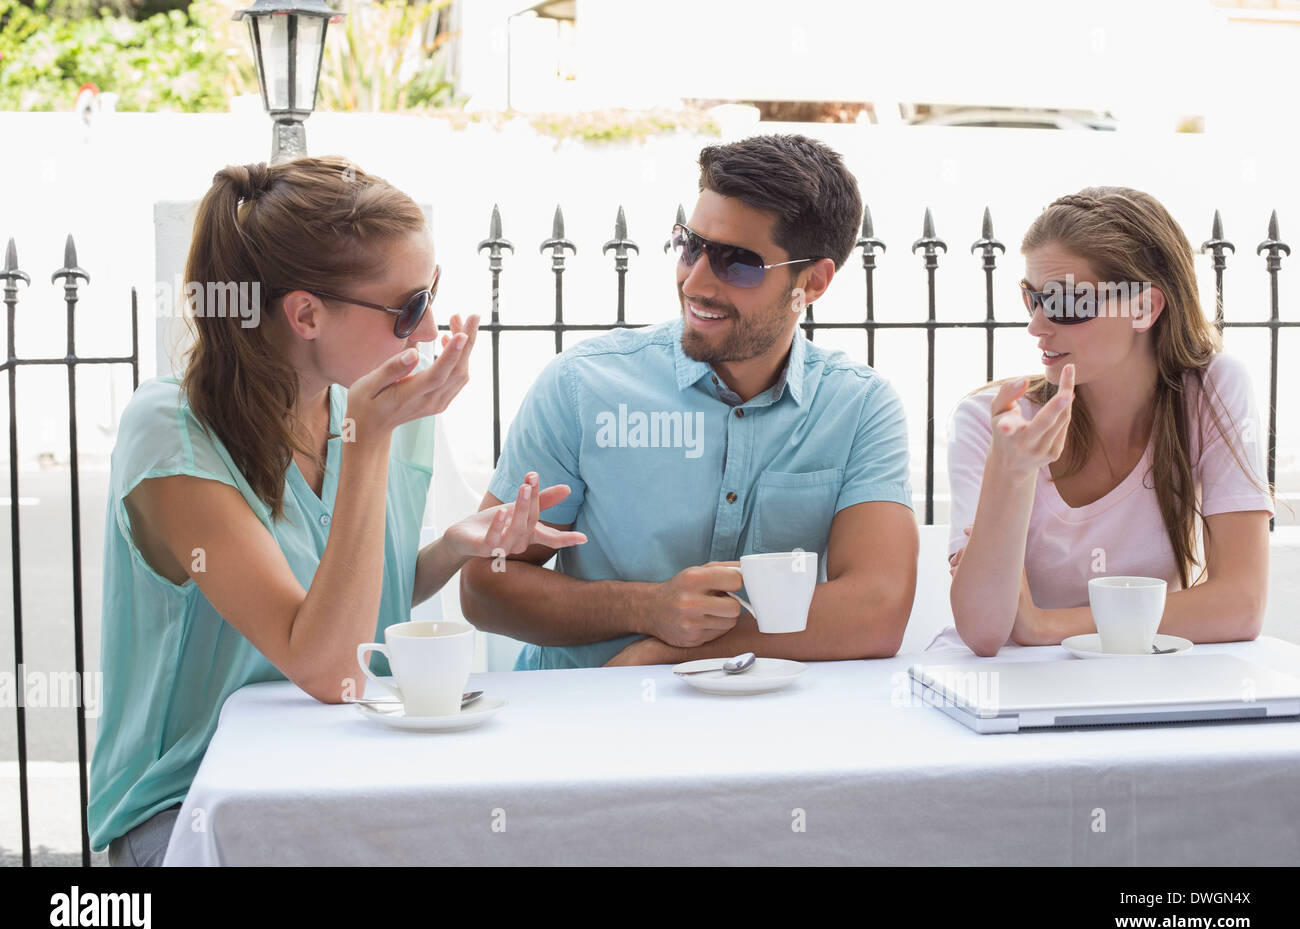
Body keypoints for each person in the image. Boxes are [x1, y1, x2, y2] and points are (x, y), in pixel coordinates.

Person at [88, 157, 585, 865]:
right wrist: (369, 445)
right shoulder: (172, 431)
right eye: (409, 307)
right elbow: (330, 669)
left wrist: (449, 549)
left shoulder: (376, 408)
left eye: (433, 296)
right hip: (192, 803)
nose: (429, 331)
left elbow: (343, 612)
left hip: (340, 770)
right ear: (306, 313)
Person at [459, 134, 918, 669]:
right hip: (586, 724)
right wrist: (645, 607)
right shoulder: (584, 385)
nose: (694, 281)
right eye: (691, 245)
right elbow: (485, 587)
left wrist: (667, 655)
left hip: (768, 728)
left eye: (738, 263)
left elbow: (877, 609)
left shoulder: (859, 407)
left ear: (812, 282)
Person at [938, 186, 1274, 656]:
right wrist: (1009, 475)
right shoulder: (993, 421)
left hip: (1134, 678)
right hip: (1006, 685)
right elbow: (983, 631)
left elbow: (1241, 605)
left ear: (1144, 307)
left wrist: (1044, 624)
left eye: (1064, 302)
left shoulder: (1211, 391)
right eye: (1031, 298)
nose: (1036, 325)